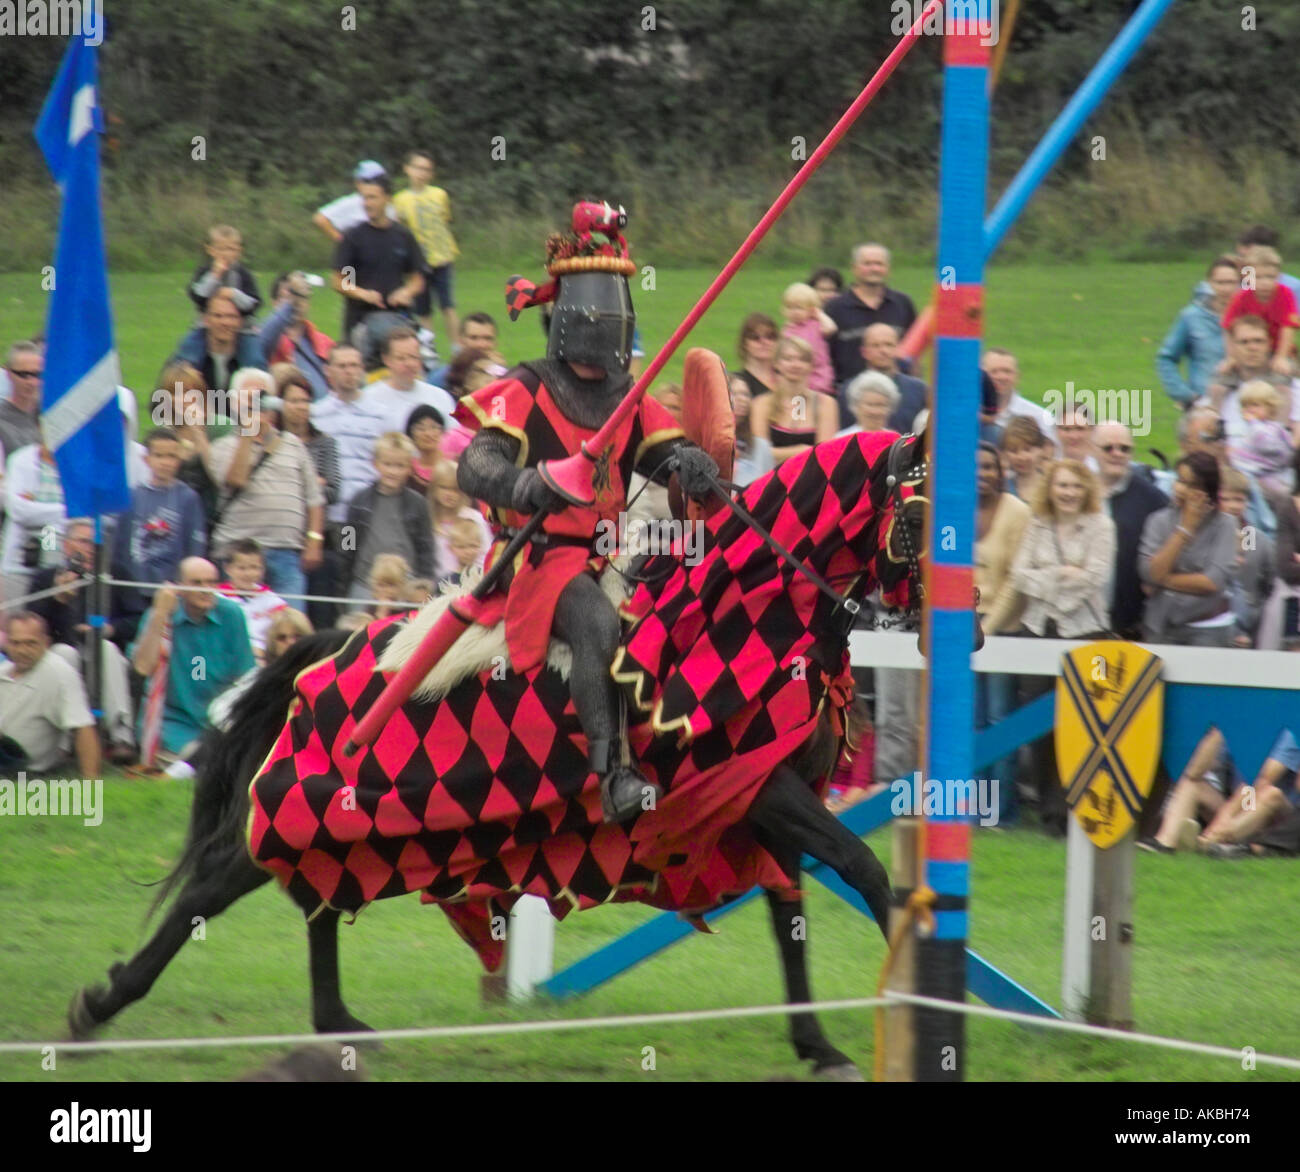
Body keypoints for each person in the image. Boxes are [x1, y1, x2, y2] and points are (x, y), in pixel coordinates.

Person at [454, 203, 716, 822]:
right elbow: (475, 465)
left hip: (609, 548)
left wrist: (694, 465)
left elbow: (666, 455)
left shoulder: (629, 397)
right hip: (538, 555)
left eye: (616, 303)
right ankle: (614, 775)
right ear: (569, 311)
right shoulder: (527, 387)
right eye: (597, 304)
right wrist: (527, 486)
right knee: (598, 624)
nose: (608, 318)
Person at [1010, 459, 1115, 834]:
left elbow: (1095, 578)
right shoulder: (1036, 524)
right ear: (1050, 489)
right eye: (1062, 486)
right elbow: (1019, 575)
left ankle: (1083, 809)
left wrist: (1053, 589)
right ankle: (1051, 812)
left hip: (1085, 633)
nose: (1069, 493)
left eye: (1075, 486)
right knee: (1040, 728)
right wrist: (1060, 576)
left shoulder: (1101, 526)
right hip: (1038, 631)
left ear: (1086, 489)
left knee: (1084, 725)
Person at [208, 369, 326, 598]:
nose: (256, 404)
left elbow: (314, 498)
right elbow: (235, 480)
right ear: (235, 403)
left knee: (289, 624)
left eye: (261, 397)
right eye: (248, 398)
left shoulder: (293, 444)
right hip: (236, 552)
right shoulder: (223, 445)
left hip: (285, 551)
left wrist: (314, 541)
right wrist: (247, 435)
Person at [27, 520, 136, 761]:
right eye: (84, 541)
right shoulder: (46, 578)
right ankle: (64, 742)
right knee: (64, 654)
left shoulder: (117, 574)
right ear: (67, 546)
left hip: (107, 656)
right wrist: (58, 601)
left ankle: (121, 736)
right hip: (62, 650)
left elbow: (137, 620)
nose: (91, 548)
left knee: (104, 648)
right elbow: (29, 625)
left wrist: (110, 629)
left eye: (96, 543)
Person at [130, 557, 256, 764]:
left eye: (211, 582)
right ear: (179, 587)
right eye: (197, 583)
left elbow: (246, 675)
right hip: (173, 720)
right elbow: (143, 667)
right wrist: (160, 613)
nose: (206, 589)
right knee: (196, 757)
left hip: (220, 716)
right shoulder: (161, 614)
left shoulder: (232, 614)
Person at [974, 444, 1031, 820]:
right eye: (976, 466)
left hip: (1001, 629)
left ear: (1001, 471)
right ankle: (974, 809)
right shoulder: (952, 507)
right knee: (970, 719)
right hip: (957, 626)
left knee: (999, 720)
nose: (983, 473)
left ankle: (1000, 812)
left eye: (991, 467)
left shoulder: (1017, 513)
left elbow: (1017, 579)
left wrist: (987, 630)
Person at [1138, 451, 1239, 646]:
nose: (1179, 489)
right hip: (1161, 625)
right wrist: (1185, 528)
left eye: (1189, 484)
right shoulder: (1158, 520)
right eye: (1179, 480)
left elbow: (1211, 582)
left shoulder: (1226, 525)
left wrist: (1164, 579)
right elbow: (1148, 573)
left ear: (1207, 491)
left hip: (1208, 628)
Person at [0, 611, 100, 777]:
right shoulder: (3, 670)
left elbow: (83, 727)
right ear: (6, 643)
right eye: (15, 643)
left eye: (30, 643)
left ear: (46, 643)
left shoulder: (58, 672)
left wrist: (92, 785)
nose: (22, 650)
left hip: (25, 771)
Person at [1093, 420, 1168, 640]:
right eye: (1108, 448)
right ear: (1093, 449)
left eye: (1124, 448)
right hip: (1083, 620)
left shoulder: (1152, 499)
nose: (1117, 454)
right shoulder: (1079, 490)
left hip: (1132, 624)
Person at [331, 175, 425, 346]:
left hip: (398, 319)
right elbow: (341, 281)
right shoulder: (354, 238)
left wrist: (406, 292)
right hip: (361, 321)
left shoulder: (402, 236)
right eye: (364, 198)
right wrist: (363, 294)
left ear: (387, 198)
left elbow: (417, 279)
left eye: (372, 197)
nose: (367, 203)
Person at [341, 432, 436, 597]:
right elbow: (347, 546)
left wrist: (423, 585)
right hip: (364, 583)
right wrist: (343, 582)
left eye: (400, 466)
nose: (393, 471)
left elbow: (425, 548)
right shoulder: (358, 501)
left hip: (406, 585)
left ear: (409, 468)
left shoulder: (418, 504)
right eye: (387, 464)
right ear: (375, 463)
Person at [824, 243, 917, 386]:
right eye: (867, 264)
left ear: (888, 269)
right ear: (854, 268)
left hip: (898, 392)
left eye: (879, 264)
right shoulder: (835, 308)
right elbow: (823, 356)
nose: (874, 269)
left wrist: (916, 386)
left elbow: (914, 353)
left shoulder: (903, 304)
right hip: (848, 394)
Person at [169, 288, 292, 394]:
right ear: (205, 320)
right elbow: (159, 405)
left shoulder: (250, 359)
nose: (225, 322)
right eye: (218, 316)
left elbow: (265, 406)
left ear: (241, 322)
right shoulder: (187, 358)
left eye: (231, 317)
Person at [393, 149, 460, 344]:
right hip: (418, 264)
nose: (422, 173)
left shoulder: (440, 195)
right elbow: (401, 231)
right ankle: (428, 348)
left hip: (442, 258)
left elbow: (445, 220)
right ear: (407, 169)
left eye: (426, 169)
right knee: (423, 310)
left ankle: (457, 347)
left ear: (431, 173)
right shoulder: (400, 200)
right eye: (418, 168)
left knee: (448, 306)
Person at [1156, 255, 1240, 408]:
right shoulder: (1191, 316)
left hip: (1245, 403)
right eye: (1220, 282)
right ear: (1208, 283)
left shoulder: (1249, 317)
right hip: (1203, 402)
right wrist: (1185, 394)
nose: (1226, 289)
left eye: (1231, 282)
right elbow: (1166, 358)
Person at [1202, 315, 1300, 445]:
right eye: (1244, 342)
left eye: (1258, 341)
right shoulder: (1219, 389)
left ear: (1269, 343)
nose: (1252, 348)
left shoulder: (1293, 390)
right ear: (1232, 346)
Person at [749, 336, 839, 466]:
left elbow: (824, 453)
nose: (795, 365)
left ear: (811, 365)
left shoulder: (825, 404)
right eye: (788, 359)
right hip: (771, 478)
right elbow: (761, 453)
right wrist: (803, 450)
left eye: (802, 360)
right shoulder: (761, 404)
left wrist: (781, 453)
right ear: (776, 363)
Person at [2, 437, 66, 605]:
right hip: (19, 562)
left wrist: (36, 506)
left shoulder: (75, 462)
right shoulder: (21, 459)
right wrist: (63, 509)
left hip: (53, 547)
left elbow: (81, 514)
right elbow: (18, 511)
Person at [1218, 466, 1275, 647]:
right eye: (1225, 499)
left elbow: (1269, 582)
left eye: (1239, 500)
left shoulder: (1255, 538)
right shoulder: (1206, 536)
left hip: (1250, 623)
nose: (1233, 506)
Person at [364, 327, 457, 433]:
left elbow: (454, 441)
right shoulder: (369, 398)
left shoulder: (440, 397)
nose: (409, 364)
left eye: (413, 357)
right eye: (401, 358)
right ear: (386, 359)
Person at [1222, 245, 1298, 372]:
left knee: (1283, 378)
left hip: (1278, 350)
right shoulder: (1241, 297)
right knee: (1222, 382)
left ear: (1278, 276)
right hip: (1248, 351)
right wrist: (1231, 356)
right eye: (1258, 277)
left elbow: (1288, 328)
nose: (1265, 282)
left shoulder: (1286, 294)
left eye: (1270, 277)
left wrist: (1281, 357)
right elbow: (1228, 328)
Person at [839, 322, 927, 432]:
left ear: (898, 348)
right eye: (876, 345)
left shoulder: (919, 390)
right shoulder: (849, 390)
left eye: (889, 345)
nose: (883, 351)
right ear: (864, 351)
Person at [216, 538, 289, 664]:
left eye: (254, 568)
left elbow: (284, 623)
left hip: (262, 654)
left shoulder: (270, 599)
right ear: (227, 569)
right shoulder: (217, 597)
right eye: (242, 568)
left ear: (263, 570)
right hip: (224, 651)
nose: (248, 573)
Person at [266, 272, 334, 399]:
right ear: (274, 303)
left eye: (301, 298)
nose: (295, 304)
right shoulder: (268, 338)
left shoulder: (325, 343)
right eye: (288, 298)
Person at [1226, 379, 1294, 497]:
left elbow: (1266, 445)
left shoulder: (1271, 429)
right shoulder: (1252, 428)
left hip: (1267, 476)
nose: (1249, 409)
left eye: (1255, 405)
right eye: (1245, 405)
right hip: (1250, 474)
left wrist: (1254, 423)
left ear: (1270, 407)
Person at [982, 348, 1058, 448]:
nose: (1001, 377)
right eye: (994, 371)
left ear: (1017, 376)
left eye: (1007, 371)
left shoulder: (1042, 418)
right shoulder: (968, 414)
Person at [429, 459, 491, 580]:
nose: (449, 494)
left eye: (455, 489)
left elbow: (486, 554)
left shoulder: (474, 518)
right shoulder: (428, 519)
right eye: (444, 488)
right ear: (434, 488)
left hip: (469, 582)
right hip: (436, 583)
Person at [311, 160, 397, 243]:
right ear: (358, 183)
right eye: (367, 181)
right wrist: (344, 243)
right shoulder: (353, 202)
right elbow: (320, 218)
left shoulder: (386, 201)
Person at [187, 224, 261, 319]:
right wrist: (214, 275)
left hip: (240, 327)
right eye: (221, 249)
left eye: (231, 249)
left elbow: (254, 304)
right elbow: (197, 297)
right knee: (192, 335)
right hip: (208, 326)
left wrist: (233, 294)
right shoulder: (204, 271)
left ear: (239, 251)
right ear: (210, 250)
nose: (226, 254)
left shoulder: (243, 274)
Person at [779, 282, 836, 394]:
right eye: (790, 308)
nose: (795, 312)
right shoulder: (787, 330)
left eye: (799, 308)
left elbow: (831, 328)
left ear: (811, 310)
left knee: (817, 401)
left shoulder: (815, 325)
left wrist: (819, 314)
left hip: (819, 374)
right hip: (799, 374)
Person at [428, 313, 499, 387]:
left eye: (487, 338)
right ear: (461, 341)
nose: (481, 344)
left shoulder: (504, 377)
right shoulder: (440, 379)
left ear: (495, 343)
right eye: (473, 338)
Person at [0, 341, 42, 462]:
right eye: (23, 374)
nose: (31, 382)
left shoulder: (50, 415)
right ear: (8, 374)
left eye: (37, 374)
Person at [1000, 415, 1051, 504]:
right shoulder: (1002, 488)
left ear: (1041, 449)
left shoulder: (1051, 486)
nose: (1021, 457)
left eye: (1027, 449)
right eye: (1013, 450)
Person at [837, 370, 900, 437]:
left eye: (881, 405)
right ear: (856, 406)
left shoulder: (897, 442)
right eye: (870, 404)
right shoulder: (841, 439)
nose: (875, 411)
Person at [735, 312, 778, 400]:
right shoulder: (737, 383)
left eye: (770, 336)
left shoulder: (788, 377)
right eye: (755, 337)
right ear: (745, 344)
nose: (764, 342)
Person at [405, 404, 445, 491]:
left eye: (434, 427)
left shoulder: (454, 466)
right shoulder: (406, 470)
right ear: (411, 434)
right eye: (421, 428)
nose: (428, 434)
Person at [1056, 402, 1098, 472]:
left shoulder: (1100, 472)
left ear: (1092, 430)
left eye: (1080, 429)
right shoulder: (1047, 470)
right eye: (1066, 429)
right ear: (1057, 431)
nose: (1073, 436)